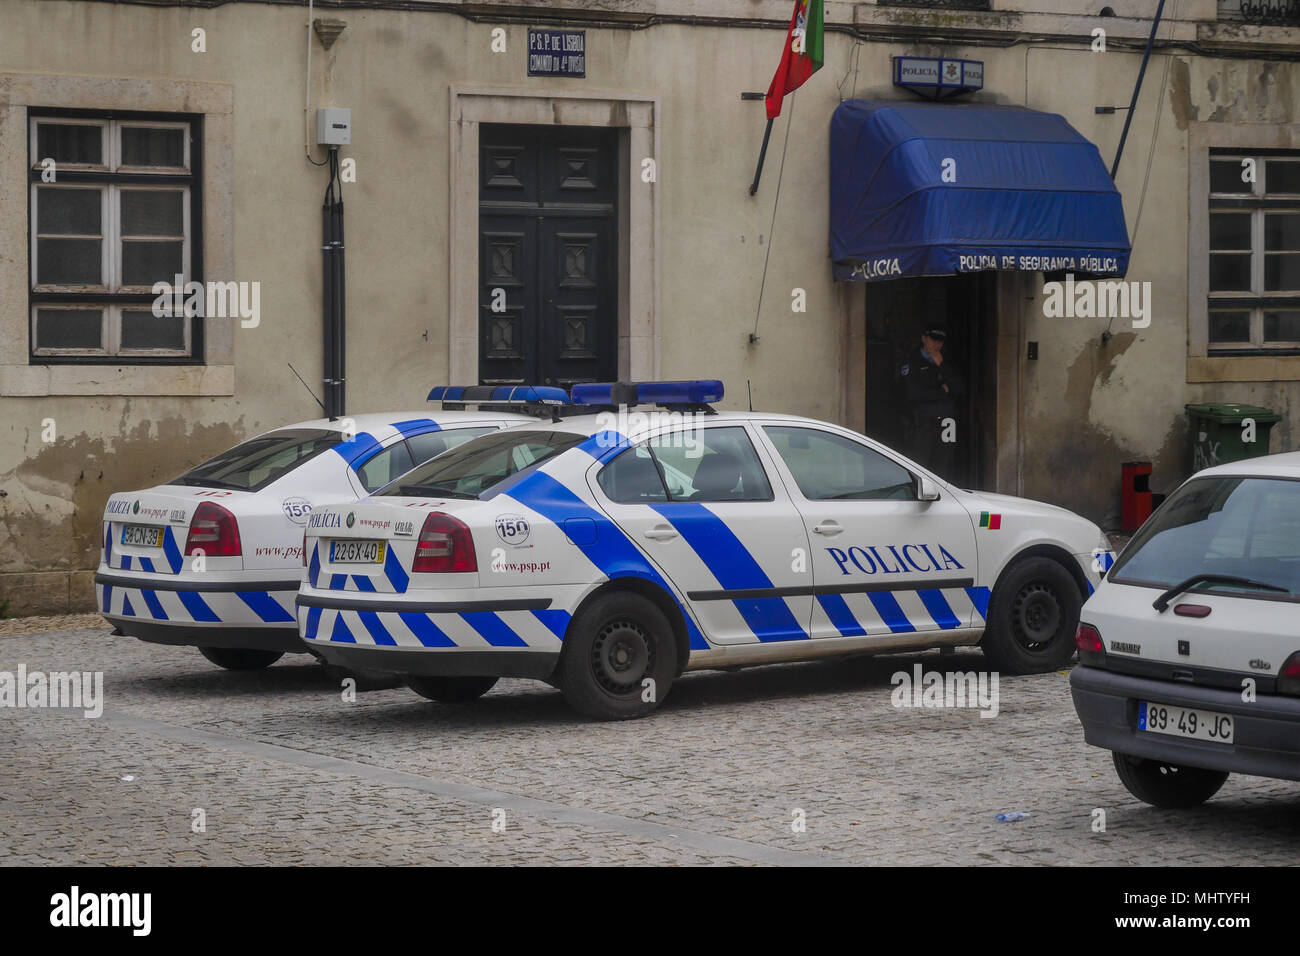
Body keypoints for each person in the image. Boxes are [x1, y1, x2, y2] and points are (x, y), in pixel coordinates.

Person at [899, 327, 964, 480]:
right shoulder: (912, 361)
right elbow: (913, 393)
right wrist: (942, 391)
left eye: (940, 341)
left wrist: (942, 365)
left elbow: (959, 388)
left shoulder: (947, 360)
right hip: (923, 420)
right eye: (933, 340)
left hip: (947, 421)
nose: (936, 344)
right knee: (920, 463)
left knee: (945, 462)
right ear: (924, 338)